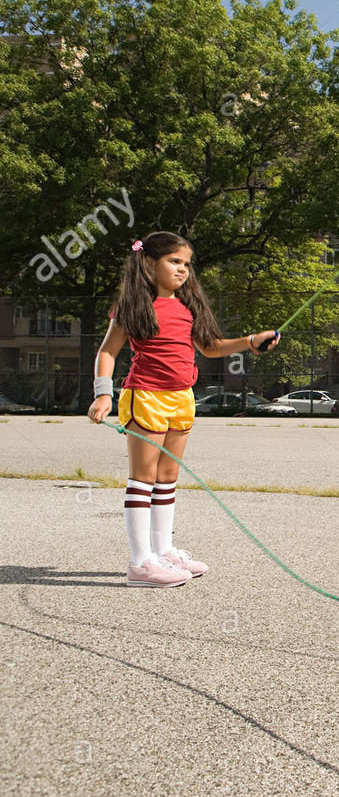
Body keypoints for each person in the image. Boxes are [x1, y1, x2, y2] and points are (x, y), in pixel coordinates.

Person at [87, 232, 280, 587]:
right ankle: (140, 563)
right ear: (148, 263)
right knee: (142, 480)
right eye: (174, 262)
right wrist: (103, 394)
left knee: (167, 479)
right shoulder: (134, 306)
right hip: (145, 396)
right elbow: (107, 352)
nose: (182, 270)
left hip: (182, 398)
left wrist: (251, 342)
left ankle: (163, 551)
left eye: (187, 264)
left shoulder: (188, 307)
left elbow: (210, 347)